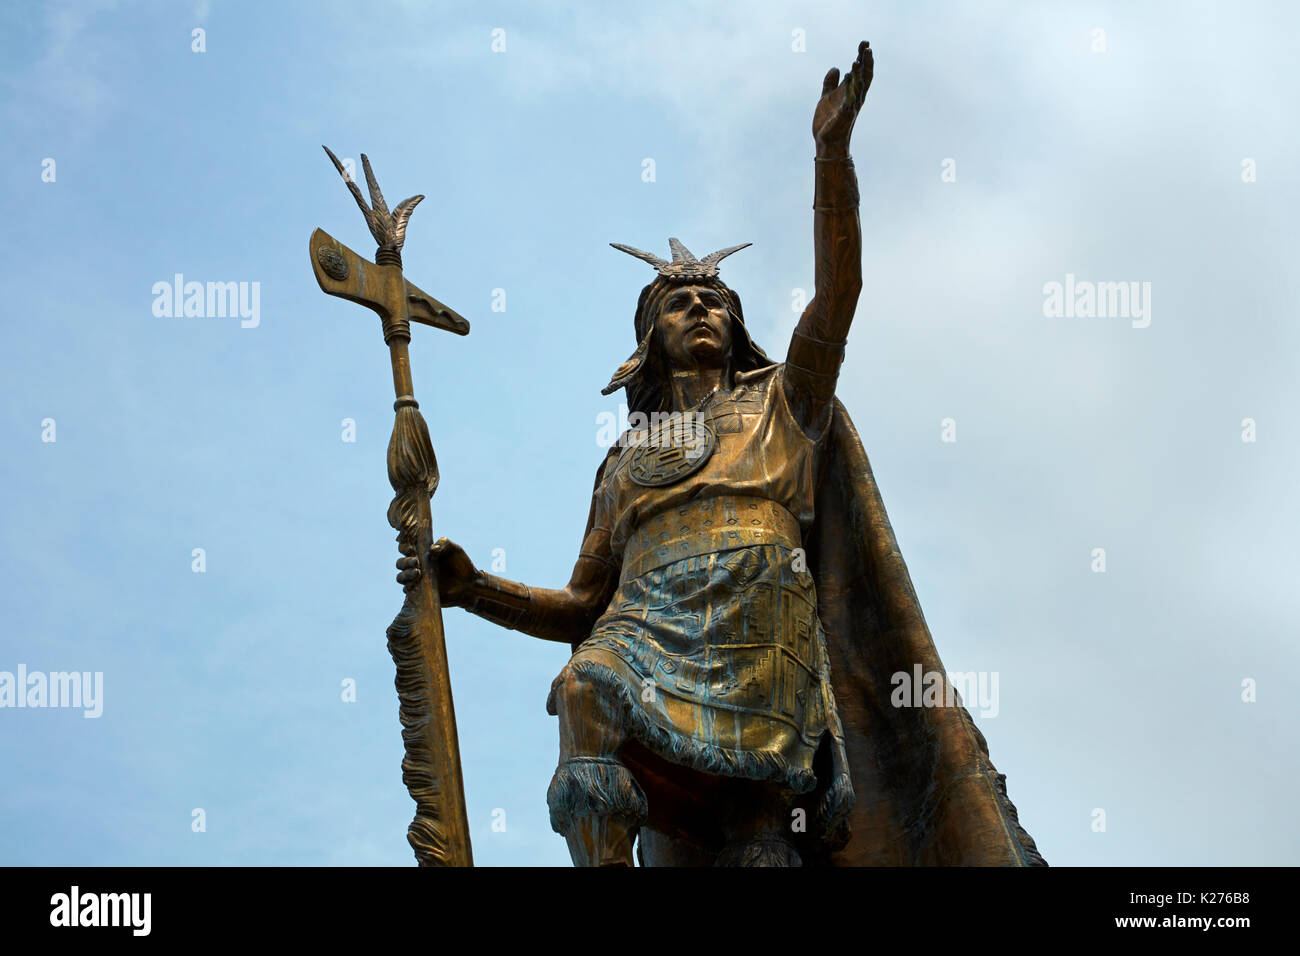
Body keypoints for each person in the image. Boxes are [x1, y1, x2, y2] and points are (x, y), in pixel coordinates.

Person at [399, 41, 1046, 868]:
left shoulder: (785, 401)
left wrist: (830, 160)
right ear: (649, 338)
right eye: (679, 303)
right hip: (643, 624)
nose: (700, 309)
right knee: (585, 688)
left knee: (757, 831)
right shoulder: (626, 458)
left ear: (737, 328)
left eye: (714, 301)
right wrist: (472, 588)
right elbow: (580, 606)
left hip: (761, 624)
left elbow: (838, 295)